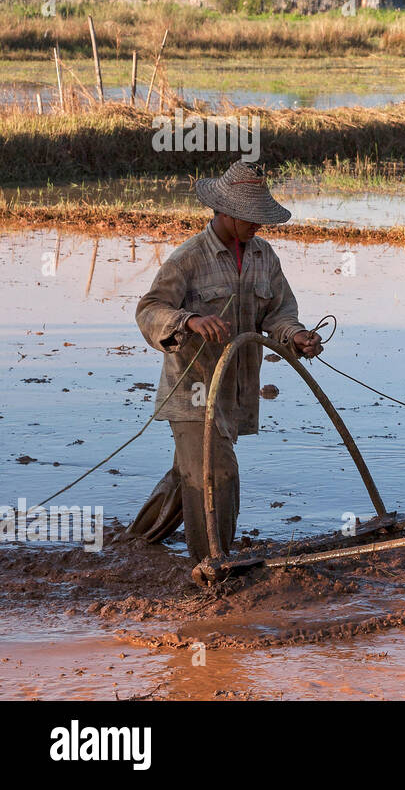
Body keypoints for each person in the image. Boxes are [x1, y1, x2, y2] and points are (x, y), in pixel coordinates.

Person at [124, 161, 322, 559]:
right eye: (251, 217)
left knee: (190, 474)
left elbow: (279, 312)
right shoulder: (188, 259)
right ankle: (212, 563)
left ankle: (135, 543)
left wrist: (295, 335)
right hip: (194, 391)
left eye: (261, 217)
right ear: (227, 213)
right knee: (217, 474)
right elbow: (149, 310)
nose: (258, 225)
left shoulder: (265, 257)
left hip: (234, 391)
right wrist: (189, 321)